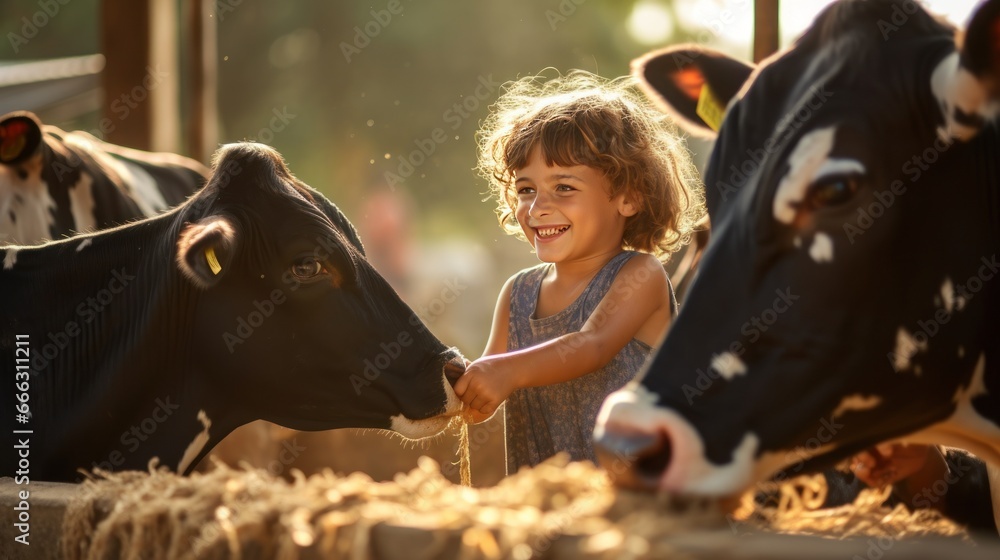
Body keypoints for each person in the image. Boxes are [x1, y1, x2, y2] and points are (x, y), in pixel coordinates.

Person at [454, 70, 705, 474]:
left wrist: (508, 371)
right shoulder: (517, 294)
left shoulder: (640, 274)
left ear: (629, 197)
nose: (537, 209)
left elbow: (592, 345)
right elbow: (485, 398)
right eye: (525, 189)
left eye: (564, 188)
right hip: (549, 513)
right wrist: (462, 384)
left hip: (640, 512)